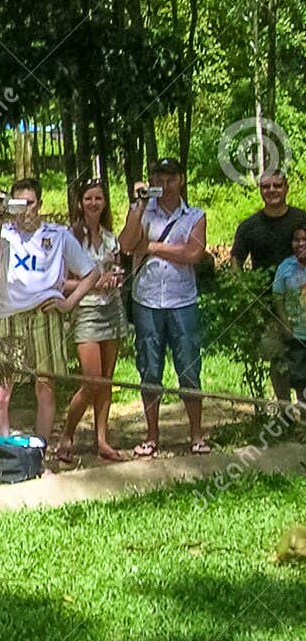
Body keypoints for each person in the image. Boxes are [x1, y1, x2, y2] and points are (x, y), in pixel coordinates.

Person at [0, 179, 98, 444]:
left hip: (45, 317)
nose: (25, 211)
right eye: (19, 204)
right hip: (9, 317)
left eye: (31, 204)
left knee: (45, 389)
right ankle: (2, 453)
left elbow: (92, 272)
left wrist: (68, 303)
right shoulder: (2, 234)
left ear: (40, 204)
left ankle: (40, 453)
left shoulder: (57, 235)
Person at [121, 158, 208, 455]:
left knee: (189, 367)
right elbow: (127, 244)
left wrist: (154, 247)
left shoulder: (194, 215)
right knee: (149, 369)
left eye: (171, 177)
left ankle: (196, 434)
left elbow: (194, 252)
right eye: (159, 176)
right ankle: (152, 436)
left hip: (182, 301)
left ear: (180, 179)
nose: (165, 182)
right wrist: (138, 206)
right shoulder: (143, 211)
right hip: (146, 301)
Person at [59, 178, 129, 462]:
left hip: (112, 310)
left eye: (98, 198)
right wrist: (93, 284)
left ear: (104, 202)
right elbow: (62, 283)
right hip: (85, 311)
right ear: (80, 203)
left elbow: (116, 270)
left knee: (107, 380)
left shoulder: (111, 238)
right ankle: (67, 435)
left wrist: (114, 279)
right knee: (92, 381)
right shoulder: (69, 238)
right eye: (88, 198)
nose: (93, 203)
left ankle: (102, 439)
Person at [232, 172, 306, 400]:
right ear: (260, 190)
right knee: (278, 358)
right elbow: (236, 260)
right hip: (266, 305)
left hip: (302, 301)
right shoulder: (249, 226)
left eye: (277, 185)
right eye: (266, 186)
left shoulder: (302, 219)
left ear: (286, 187)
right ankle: (284, 409)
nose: (272, 190)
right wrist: (246, 294)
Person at [271, 226, 306, 402]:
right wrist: (284, 323)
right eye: (297, 240)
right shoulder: (286, 267)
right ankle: (302, 421)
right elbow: (278, 297)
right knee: (300, 380)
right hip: (297, 334)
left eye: (304, 240)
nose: (301, 244)